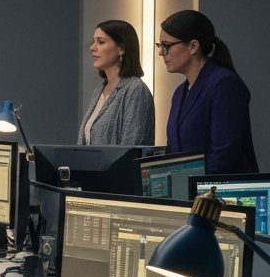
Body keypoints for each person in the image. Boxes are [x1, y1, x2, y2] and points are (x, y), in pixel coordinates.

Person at [159, 10, 259, 174]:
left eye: (167, 46)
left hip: (221, 188)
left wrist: (197, 186)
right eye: (160, 46)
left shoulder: (224, 84)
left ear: (193, 46)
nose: (161, 52)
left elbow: (224, 152)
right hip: (189, 188)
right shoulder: (179, 93)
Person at [78, 20, 155, 145]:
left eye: (101, 42)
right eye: (93, 41)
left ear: (121, 49)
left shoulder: (135, 89)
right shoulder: (99, 89)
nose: (92, 48)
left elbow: (131, 145)